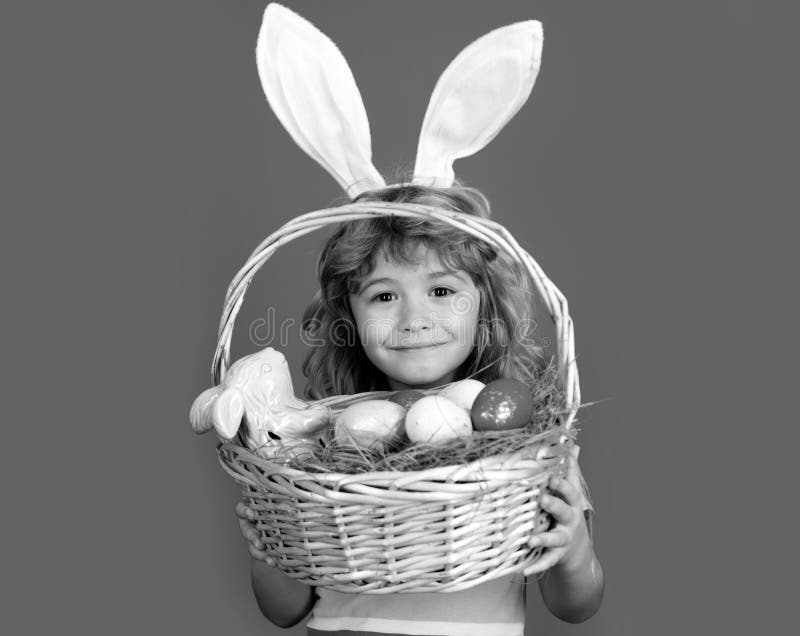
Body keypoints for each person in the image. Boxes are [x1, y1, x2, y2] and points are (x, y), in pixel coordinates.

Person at [234, 179, 604, 635]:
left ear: (484, 305)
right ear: (350, 317)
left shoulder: (529, 445)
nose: (415, 320)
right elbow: (284, 612)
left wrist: (573, 550)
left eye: (442, 291)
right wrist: (272, 553)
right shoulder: (324, 441)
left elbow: (577, 606)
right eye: (384, 296)